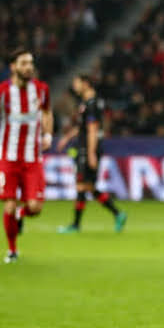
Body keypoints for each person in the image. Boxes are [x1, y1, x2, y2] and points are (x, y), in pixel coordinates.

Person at [0, 48, 53, 263]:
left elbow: (47, 112)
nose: (29, 67)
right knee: (9, 205)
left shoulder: (42, 89)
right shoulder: (1, 92)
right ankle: (12, 250)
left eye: (30, 63)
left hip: (32, 157)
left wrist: (48, 134)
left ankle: (21, 214)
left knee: (35, 207)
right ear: (13, 67)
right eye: (24, 63)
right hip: (7, 157)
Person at [56, 75, 127, 234]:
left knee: (82, 186)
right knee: (87, 186)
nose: (74, 86)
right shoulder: (88, 103)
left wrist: (91, 153)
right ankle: (117, 213)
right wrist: (67, 138)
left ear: (86, 84)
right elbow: (82, 127)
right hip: (85, 147)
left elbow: (93, 130)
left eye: (76, 83)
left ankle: (76, 225)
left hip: (87, 149)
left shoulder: (92, 104)